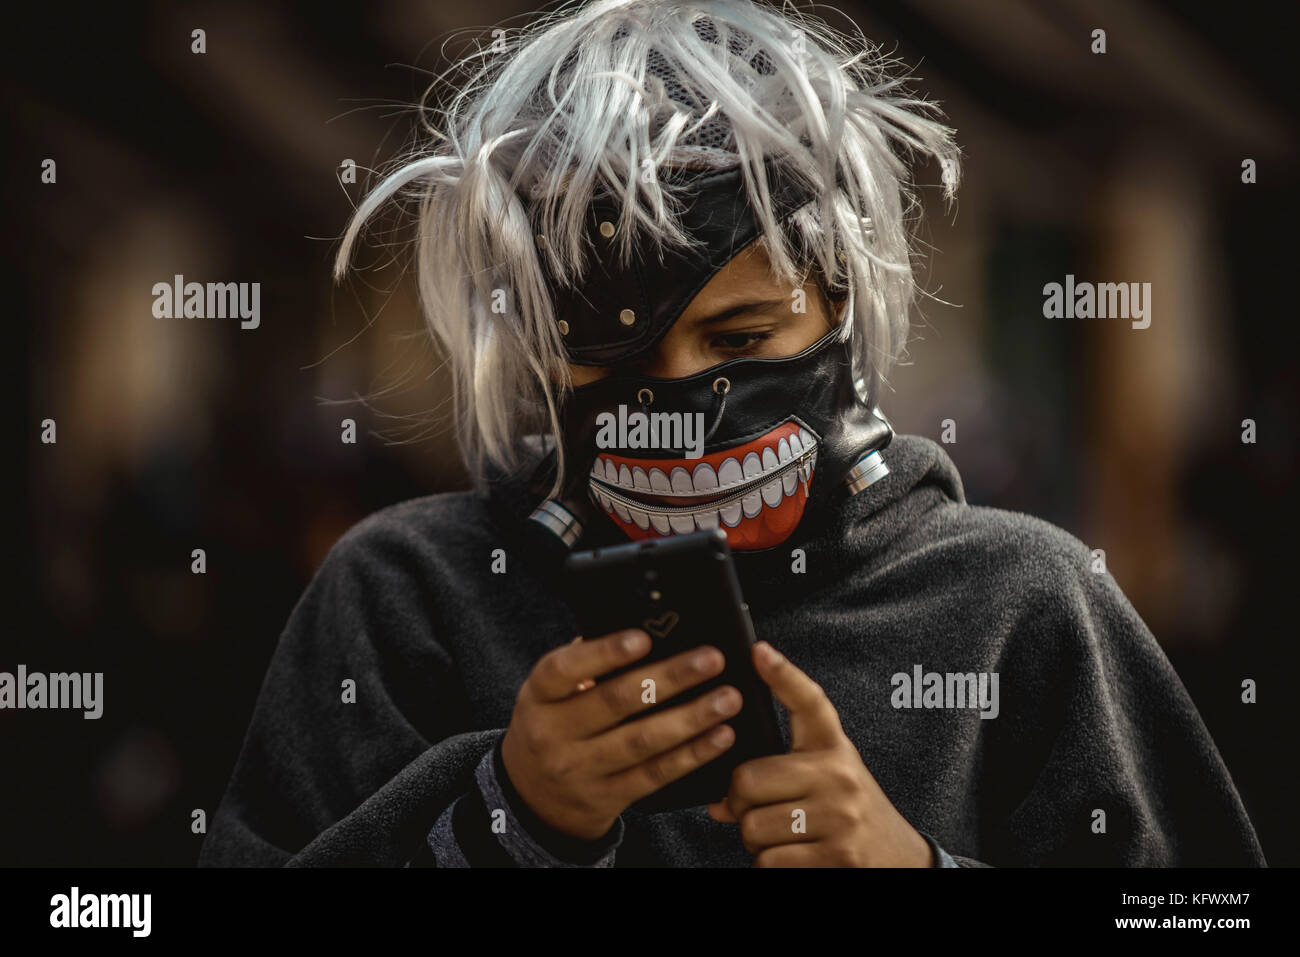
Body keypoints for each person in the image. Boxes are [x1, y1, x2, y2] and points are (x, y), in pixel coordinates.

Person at [198, 0, 1266, 867]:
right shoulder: (410, 597)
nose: (682, 400)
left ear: (837, 299)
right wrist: (498, 818)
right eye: (608, 360)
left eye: (741, 334)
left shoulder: (1020, 604)